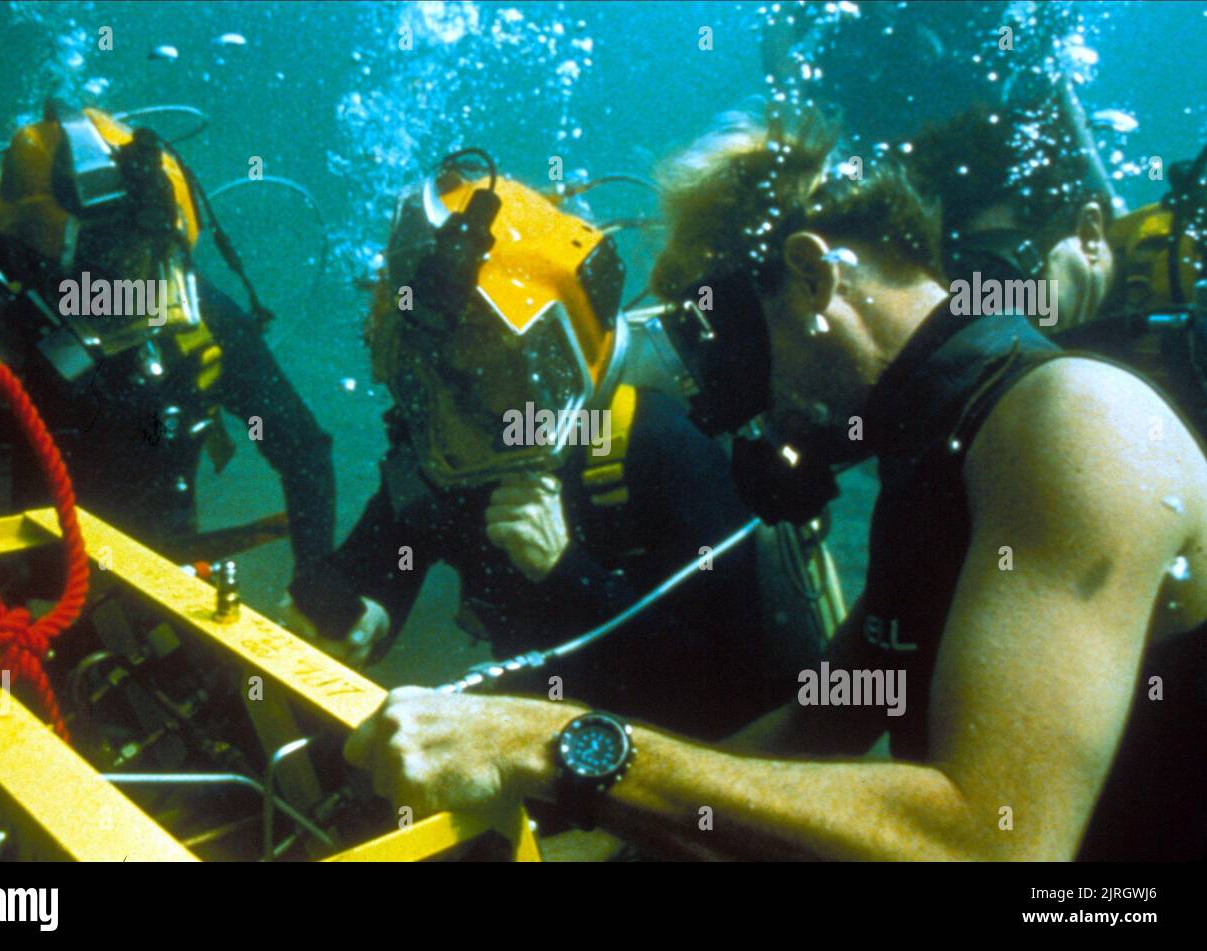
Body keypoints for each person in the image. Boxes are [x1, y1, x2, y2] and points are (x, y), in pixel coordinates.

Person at [343, 111, 1207, 861]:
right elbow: (819, 719)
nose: (707, 398)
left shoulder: (1073, 421)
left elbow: (993, 839)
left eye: (711, 341)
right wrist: (610, 815)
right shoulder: (934, 455)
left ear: (814, 276)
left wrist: (553, 743)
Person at [287, 155, 834, 742]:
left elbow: (736, 694)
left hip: (675, 773)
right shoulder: (443, 448)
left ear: (546, 353)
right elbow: (383, 565)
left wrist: (566, 571)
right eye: (441, 370)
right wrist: (357, 615)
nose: (462, 391)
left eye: (486, 357)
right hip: (534, 751)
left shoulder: (649, 443)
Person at [0, 103, 334, 582]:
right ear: (17, 250)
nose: (124, 290)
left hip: (139, 596)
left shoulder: (194, 323)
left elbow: (301, 449)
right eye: (99, 264)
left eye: (144, 259)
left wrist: (315, 584)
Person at [909, 101, 1207, 437]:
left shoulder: (1191, 273)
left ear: (1088, 233)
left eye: (1003, 277)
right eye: (970, 288)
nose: (999, 314)